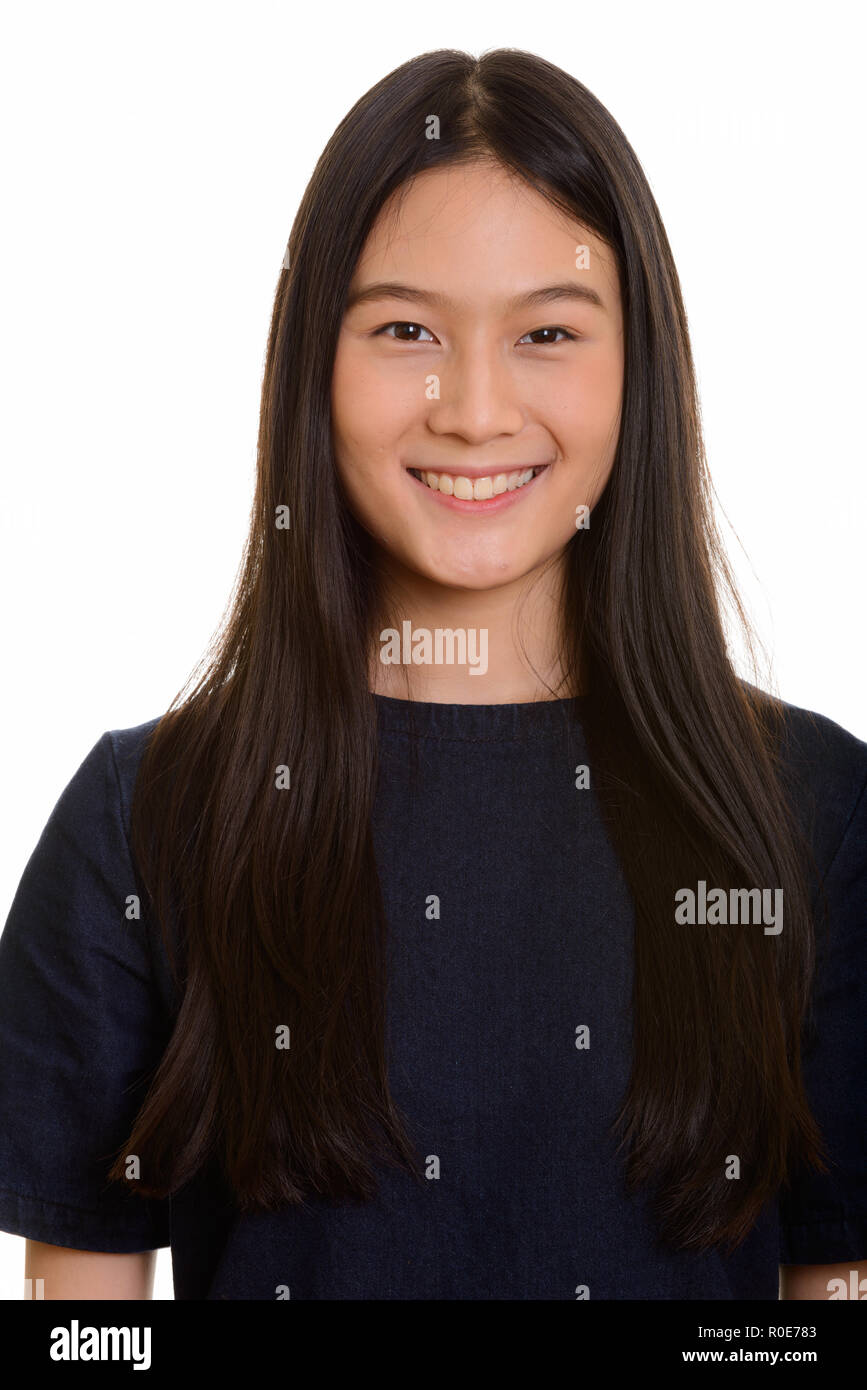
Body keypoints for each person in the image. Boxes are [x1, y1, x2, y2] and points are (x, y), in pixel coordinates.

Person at [1, 48, 865, 1301]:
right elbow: (80, 1324)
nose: (472, 408)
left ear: (642, 367)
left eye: (547, 333)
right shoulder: (147, 821)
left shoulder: (811, 814)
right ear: (315, 364)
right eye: (405, 329)